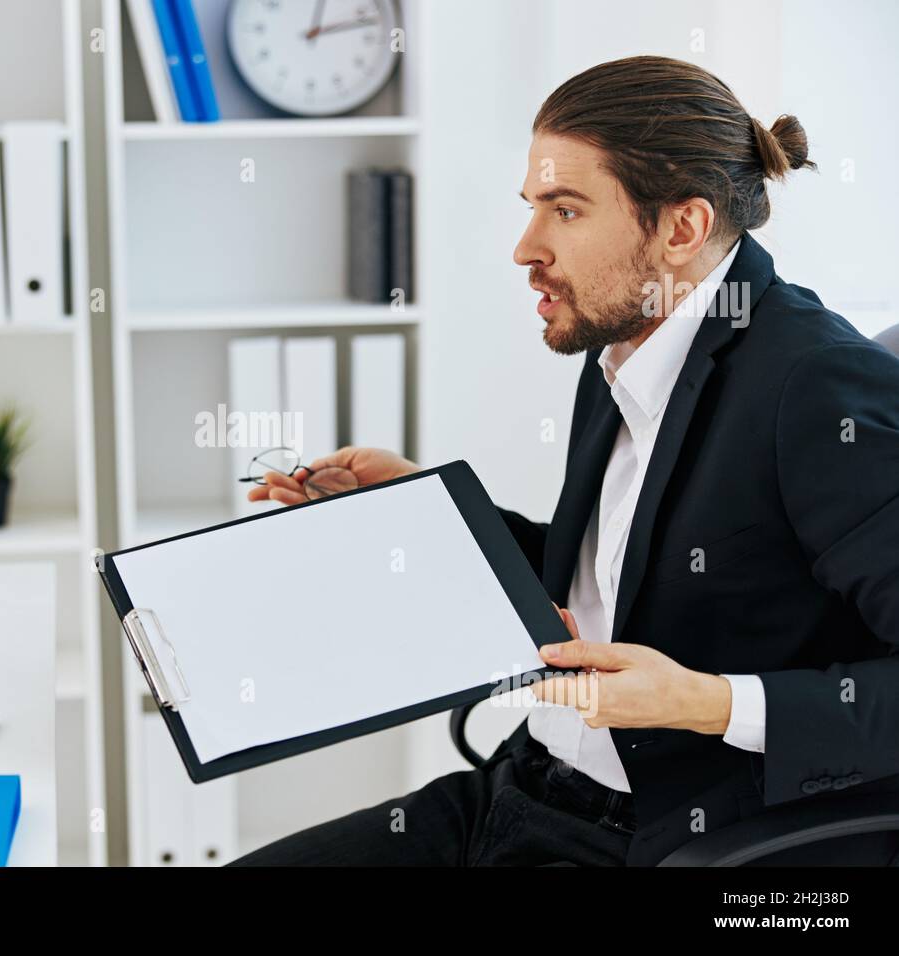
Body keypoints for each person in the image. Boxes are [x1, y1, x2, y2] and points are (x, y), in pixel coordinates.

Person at [230, 55, 899, 866]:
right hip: (527, 789)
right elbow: (612, 582)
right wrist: (425, 511)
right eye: (532, 208)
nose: (525, 248)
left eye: (567, 211)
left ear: (680, 229)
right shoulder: (624, 338)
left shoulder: (817, 387)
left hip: (672, 832)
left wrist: (707, 702)